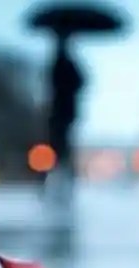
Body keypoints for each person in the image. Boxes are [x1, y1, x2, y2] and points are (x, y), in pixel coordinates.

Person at [46, 35, 85, 198]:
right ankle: (61, 177)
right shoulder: (63, 64)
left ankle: (60, 178)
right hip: (63, 111)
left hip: (60, 112)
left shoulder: (59, 63)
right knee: (62, 146)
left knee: (60, 145)